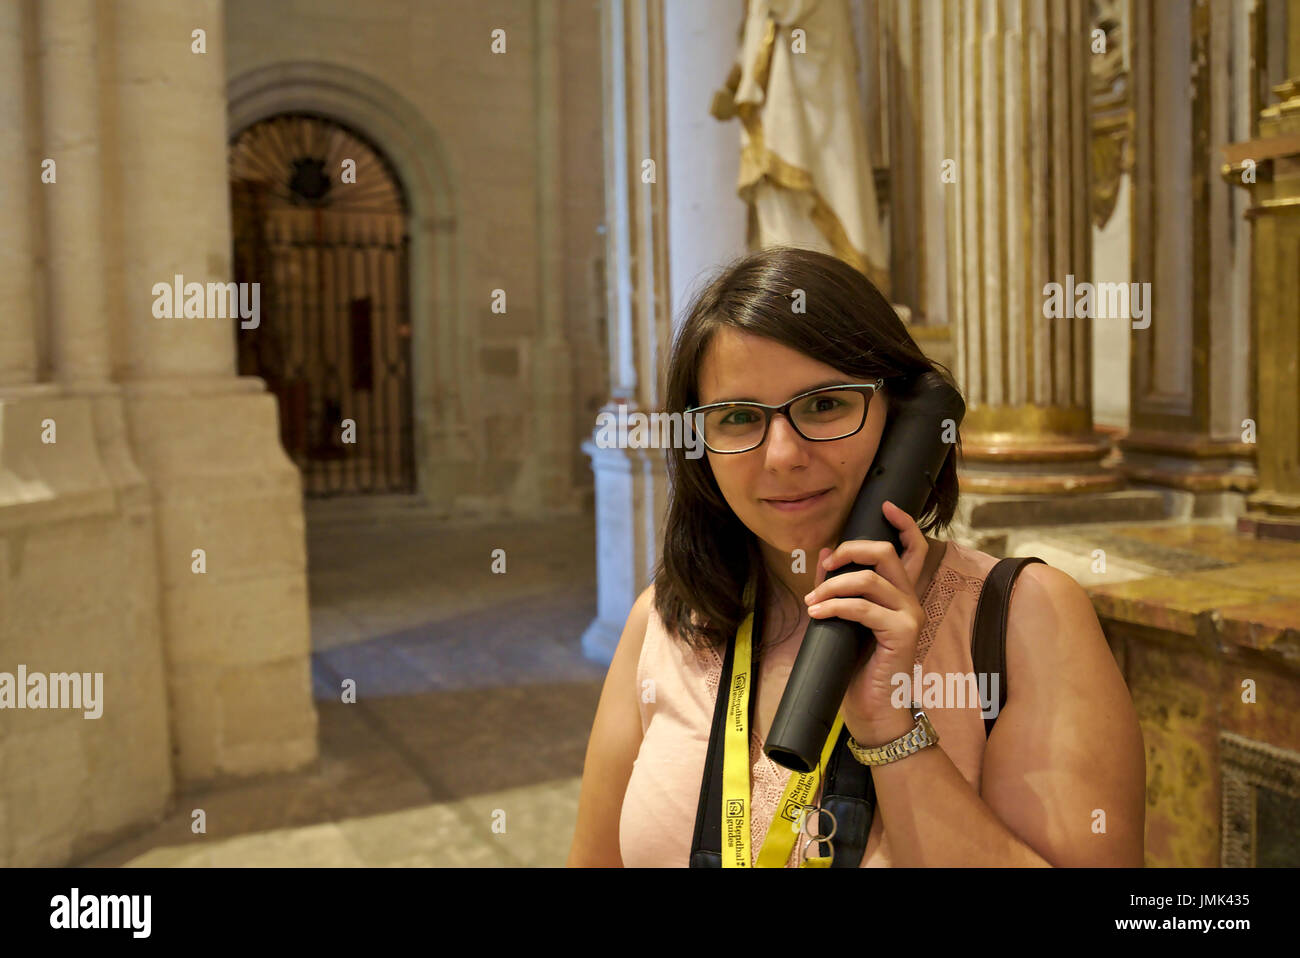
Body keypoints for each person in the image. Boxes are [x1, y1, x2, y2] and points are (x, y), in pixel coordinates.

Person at [567, 246, 1145, 867]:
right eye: (737, 417)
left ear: (903, 418)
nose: (783, 455)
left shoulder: (1023, 617)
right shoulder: (663, 623)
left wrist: (889, 727)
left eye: (824, 404)